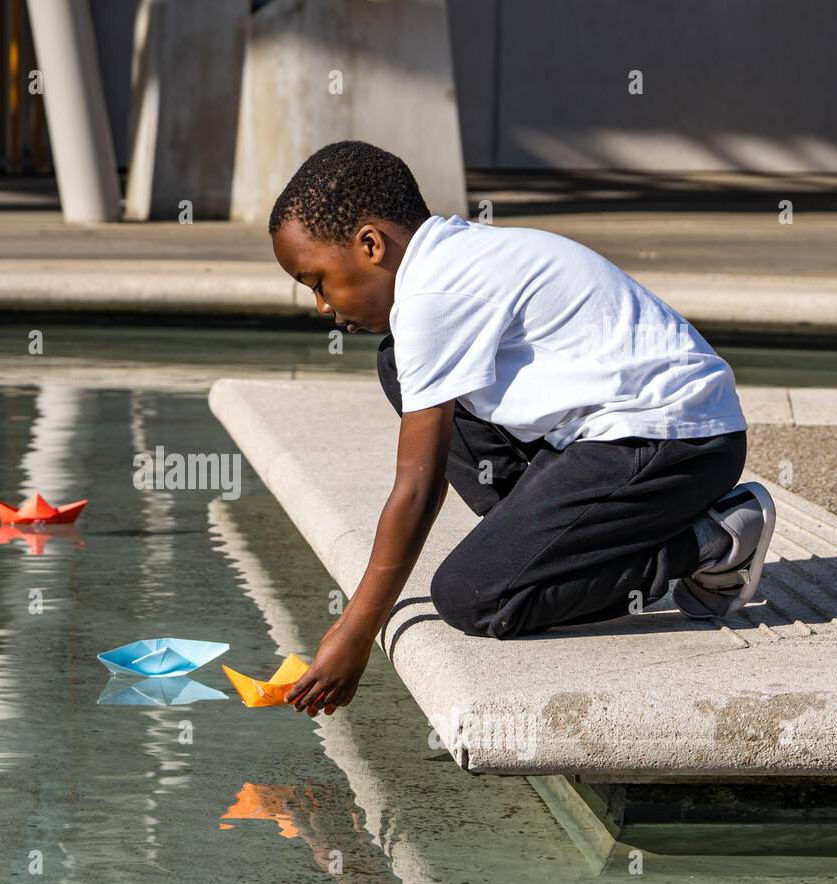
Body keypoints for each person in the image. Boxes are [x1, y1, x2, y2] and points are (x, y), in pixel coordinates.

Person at [269, 140, 774, 717]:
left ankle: (715, 540)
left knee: (474, 598)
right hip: (639, 434)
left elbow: (417, 487)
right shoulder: (449, 257)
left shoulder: (433, 294)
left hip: (673, 441)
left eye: (317, 281)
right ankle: (537, 543)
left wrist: (356, 630)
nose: (320, 306)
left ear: (370, 244)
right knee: (397, 366)